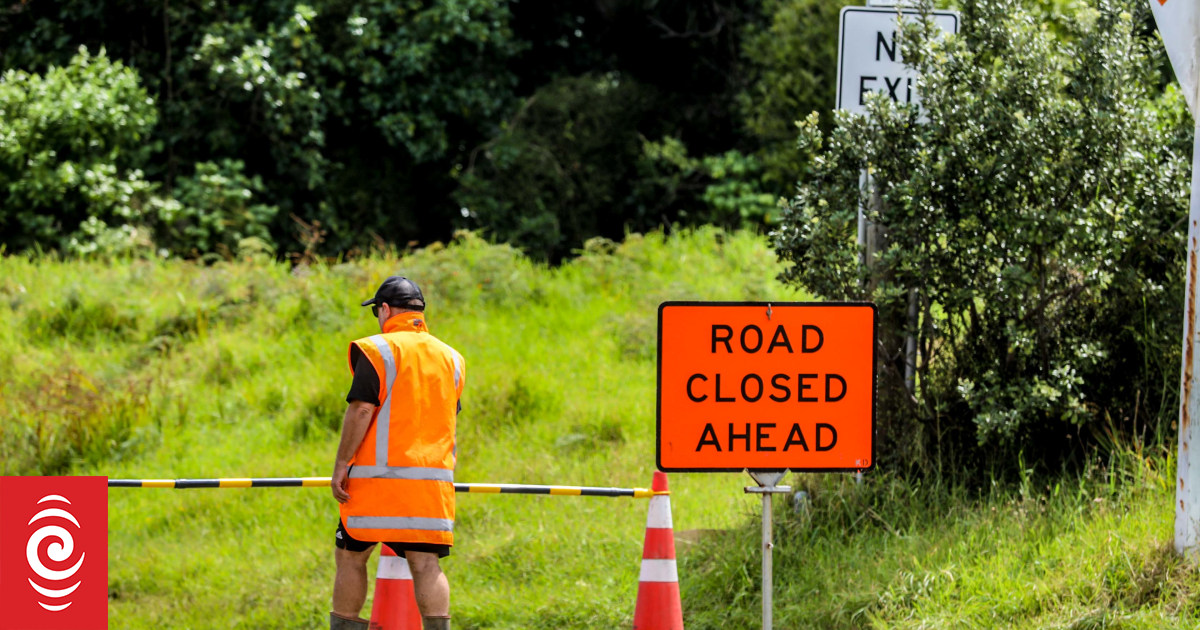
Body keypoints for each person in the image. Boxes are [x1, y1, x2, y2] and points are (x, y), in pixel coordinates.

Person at [329, 276, 465, 630]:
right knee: (426, 565)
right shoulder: (451, 358)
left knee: (351, 558)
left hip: (374, 486)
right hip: (428, 488)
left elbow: (361, 409)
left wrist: (342, 463)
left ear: (385, 309)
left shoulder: (378, 350)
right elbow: (449, 420)